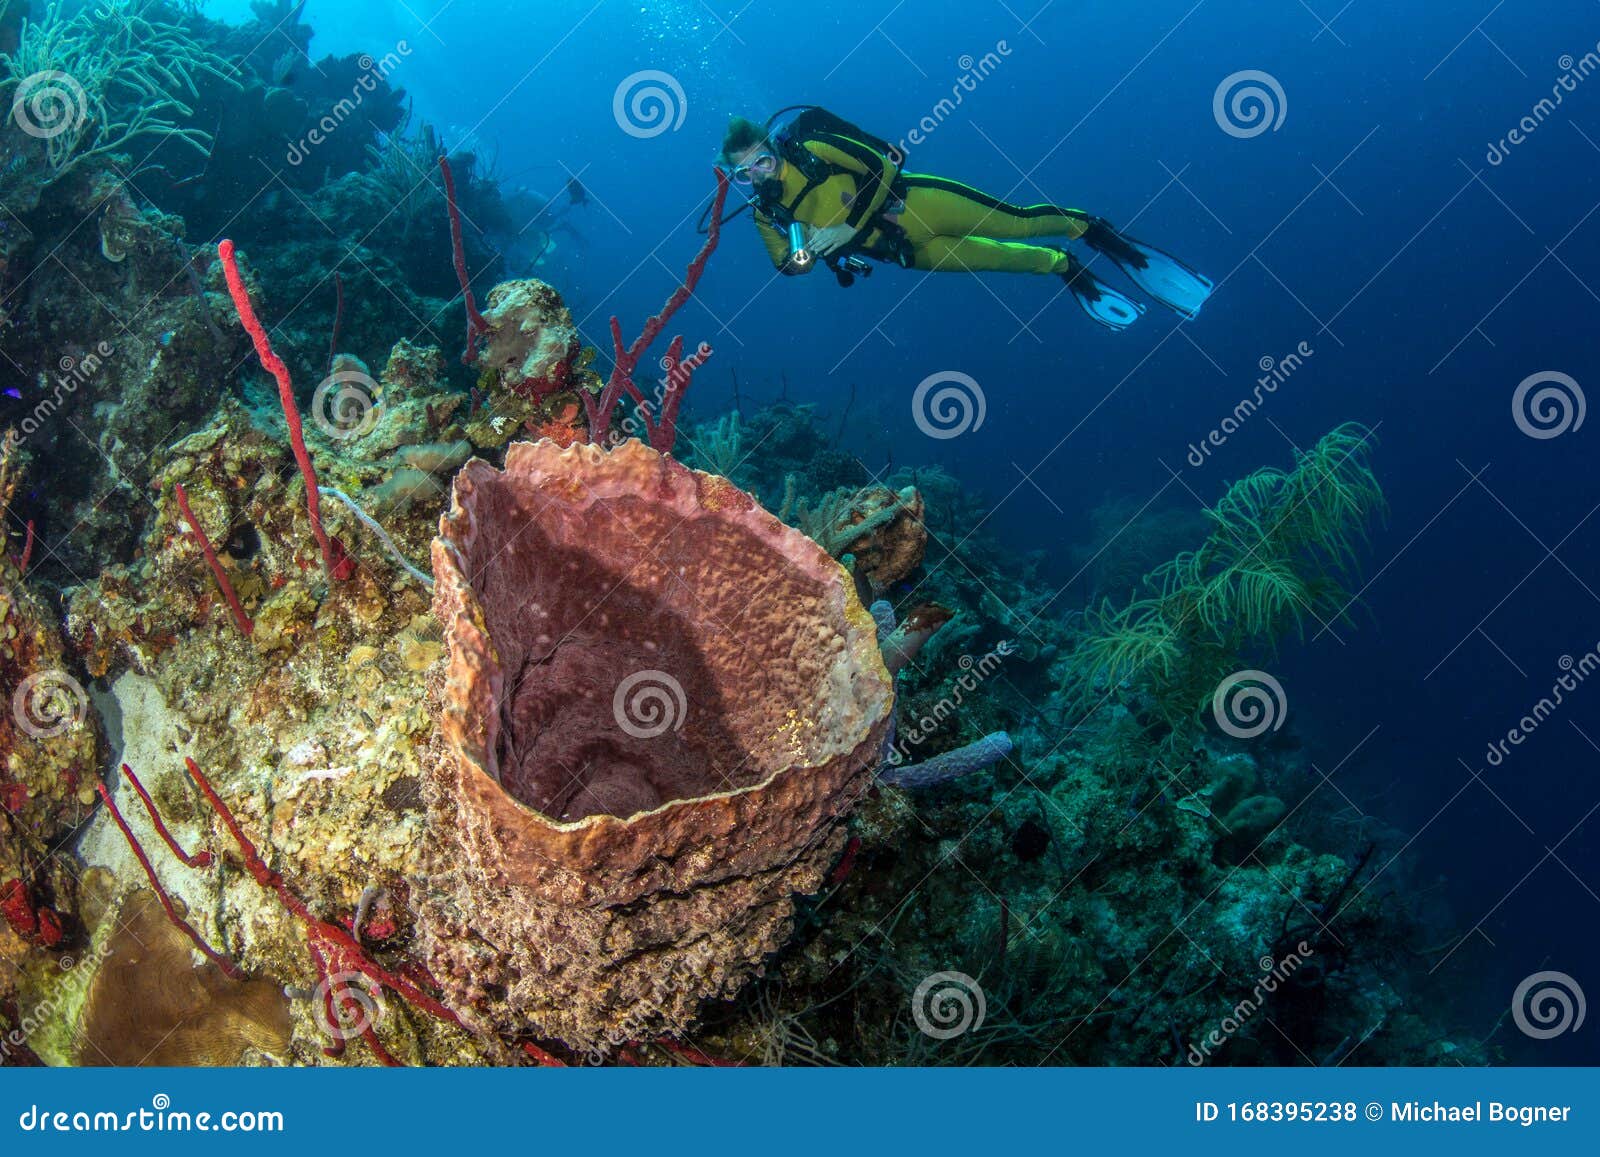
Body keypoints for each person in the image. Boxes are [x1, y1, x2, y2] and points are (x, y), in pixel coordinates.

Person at [716, 107, 1214, 330]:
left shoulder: (811, 148)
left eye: (762, 159)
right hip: (907, 252)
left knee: (1017, 222)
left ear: (772, 146)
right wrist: (803, 258)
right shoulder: (767, 211)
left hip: (920, 202)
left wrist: (846, 228)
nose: (759, 175)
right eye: (744, 173)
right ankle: (1068, 269)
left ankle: (1096, 232)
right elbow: (785, 266)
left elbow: (884, 165)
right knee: (1002, 261)